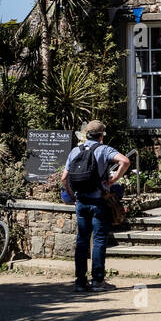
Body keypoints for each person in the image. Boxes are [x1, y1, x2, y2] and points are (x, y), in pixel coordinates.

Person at [62, 120, 130, 293]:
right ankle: (98, 282)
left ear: (86, 134)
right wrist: (114, 179)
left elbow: (64, 178)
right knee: (99, 240)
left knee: (82, 240)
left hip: (81, 202)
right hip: (99, 201)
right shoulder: (104, 149)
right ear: (101, 135)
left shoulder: (75, 150)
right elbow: (125, 161)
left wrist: (72, 196)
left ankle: (80, 282)